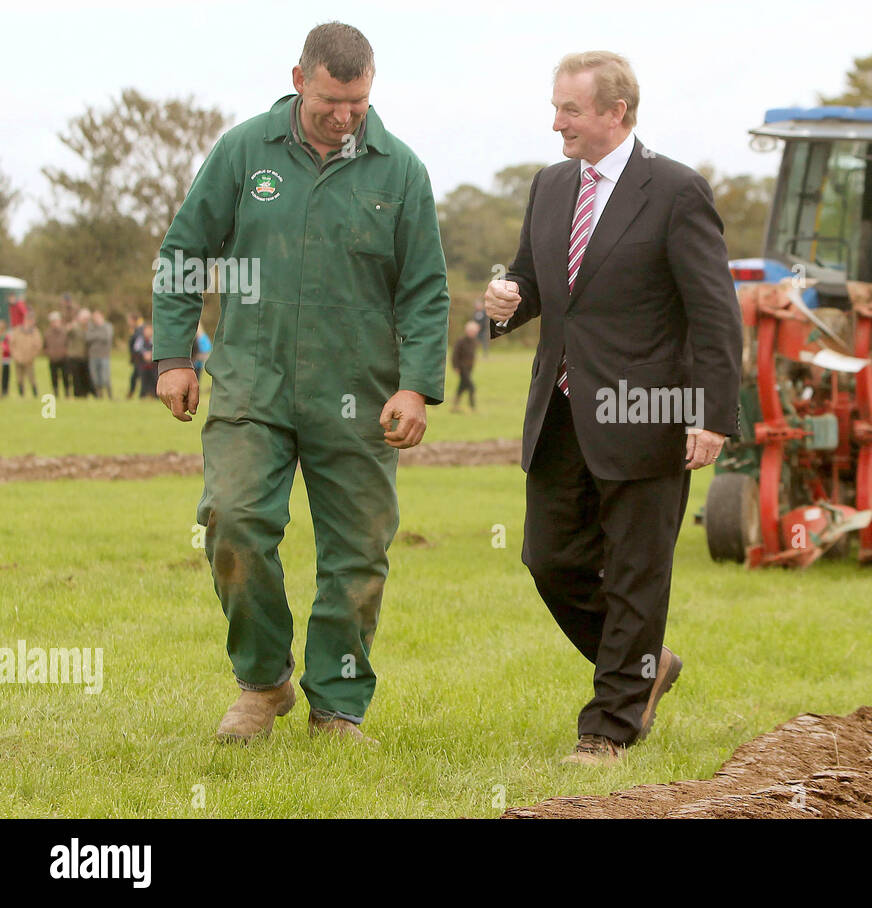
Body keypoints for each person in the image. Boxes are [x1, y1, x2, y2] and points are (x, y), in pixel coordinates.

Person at [152, 22, 450, 746]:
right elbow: (187, 249)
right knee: (232, 520)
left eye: (358, 102)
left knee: (357, 553)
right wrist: (172, 358)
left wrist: (416, 385)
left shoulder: (399, 170)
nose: (345, 117)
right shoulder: (243, 151)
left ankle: (337, 706)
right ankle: (263, 685)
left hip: (360, 394)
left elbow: (425, 289)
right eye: (330, 102)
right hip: (254, 383)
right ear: (298, 80)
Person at [486, 51, 742, 766]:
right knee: (548, 558)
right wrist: (510, 300)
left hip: (651, 410)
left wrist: (713, 413)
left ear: (616, 113)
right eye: (556, 107)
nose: (557, 122)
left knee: (635, 571)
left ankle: (609, 727)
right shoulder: (549, 185)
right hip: (561, 412)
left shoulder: (676, 191)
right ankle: (643, 665)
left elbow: (715, 315)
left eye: (570, 109)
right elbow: (537, 280)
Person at [7, 308, 43, 397]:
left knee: (32, 379)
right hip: (18, 359)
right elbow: (12, 344)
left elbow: (38, 346)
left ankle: (35, 395)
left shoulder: (35, 332)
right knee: (19, 379)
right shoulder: (17, 331)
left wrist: (31, 357)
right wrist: (16, 356)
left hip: (29, 360)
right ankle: (21, 395)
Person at [450, 320, 480, 412]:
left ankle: (455, 406)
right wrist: (456, 367)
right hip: (462, 368)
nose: (473, 333)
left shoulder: (474, 341)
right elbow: (454, 355)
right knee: (471, 387)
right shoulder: (461, 341)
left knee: (462, 387)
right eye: (472, 331)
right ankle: (472, 406)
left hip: (469, 368)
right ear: (467, 331)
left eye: (475, 332)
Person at [86, 310, 114, 399]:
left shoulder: (108, 326)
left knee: (105, 377)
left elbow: (107, 337)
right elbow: (87, 338)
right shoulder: (90, 327)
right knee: (95, 378)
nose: (96, 319)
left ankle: (110, 396)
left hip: (104, 356)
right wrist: (98, 335)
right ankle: (99, 396)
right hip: (93, 356)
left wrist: (95, 335)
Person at [65, 309, 90, 397]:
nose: (86, 320)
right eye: (84, 318)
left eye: (87, 319)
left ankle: (85, 394)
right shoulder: (74, 327)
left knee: (85, 377)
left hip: (85, 356)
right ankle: (77, 394)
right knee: (76, 377)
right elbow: (67, 333)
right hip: (74, 357)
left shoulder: (89, 328)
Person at [127, 314, 146, 397]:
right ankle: (132, 393)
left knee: (139, 376)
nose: (129, 323)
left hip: (140, 358)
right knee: (135, 377)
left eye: (130, 321)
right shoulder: (136, 329)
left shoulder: (140, 329)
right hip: (136, 358)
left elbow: (136, 345)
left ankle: (142, 394)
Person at [138, 324, 158, 399]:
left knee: (155, 380)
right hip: (143, 365)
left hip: (153, 365)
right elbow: (137, 349)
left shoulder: (155, 340)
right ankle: (143, 396)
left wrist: (151, 354)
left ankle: (155, 396)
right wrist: (144, 354)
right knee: (143, 380)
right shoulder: (140, 339)